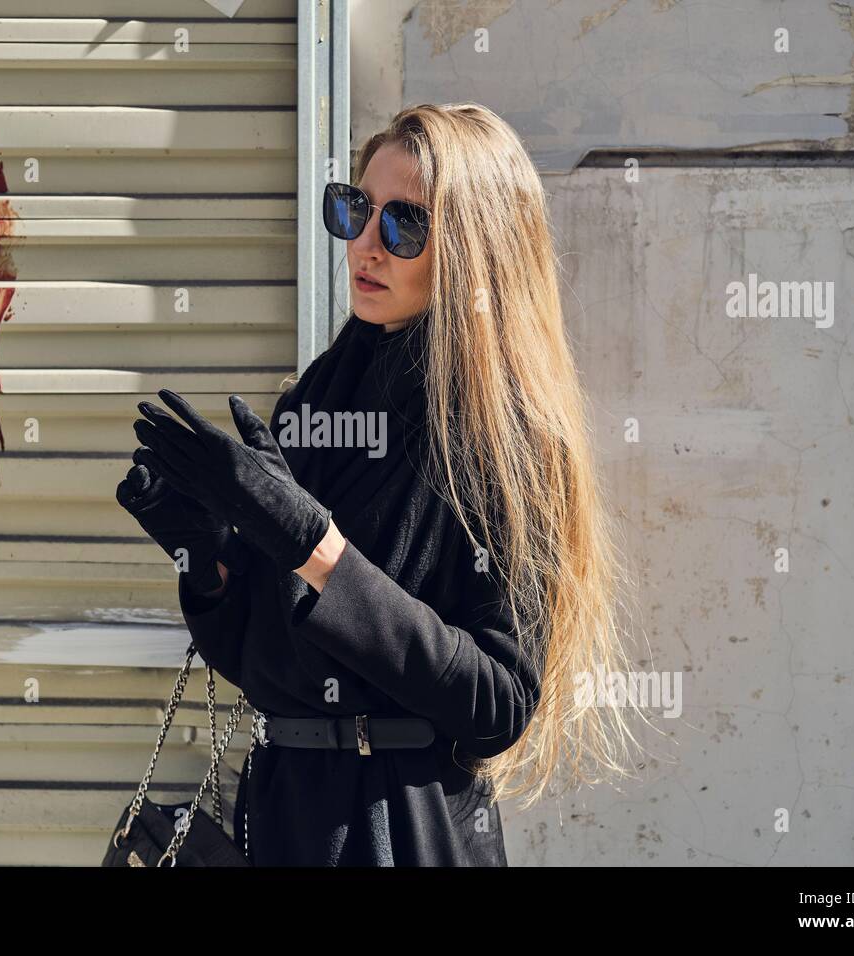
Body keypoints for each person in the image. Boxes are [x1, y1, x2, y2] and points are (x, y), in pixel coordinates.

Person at [116, 103, 634, 866]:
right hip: (287, 813)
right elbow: (269, 673)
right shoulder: (315, 402)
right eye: (356, 209)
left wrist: (315, 547)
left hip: (403, 828)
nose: (366, 243)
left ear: (474, 249)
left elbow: (496, 702)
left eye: (405, 224)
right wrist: (209, 557)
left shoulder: (508, 434)